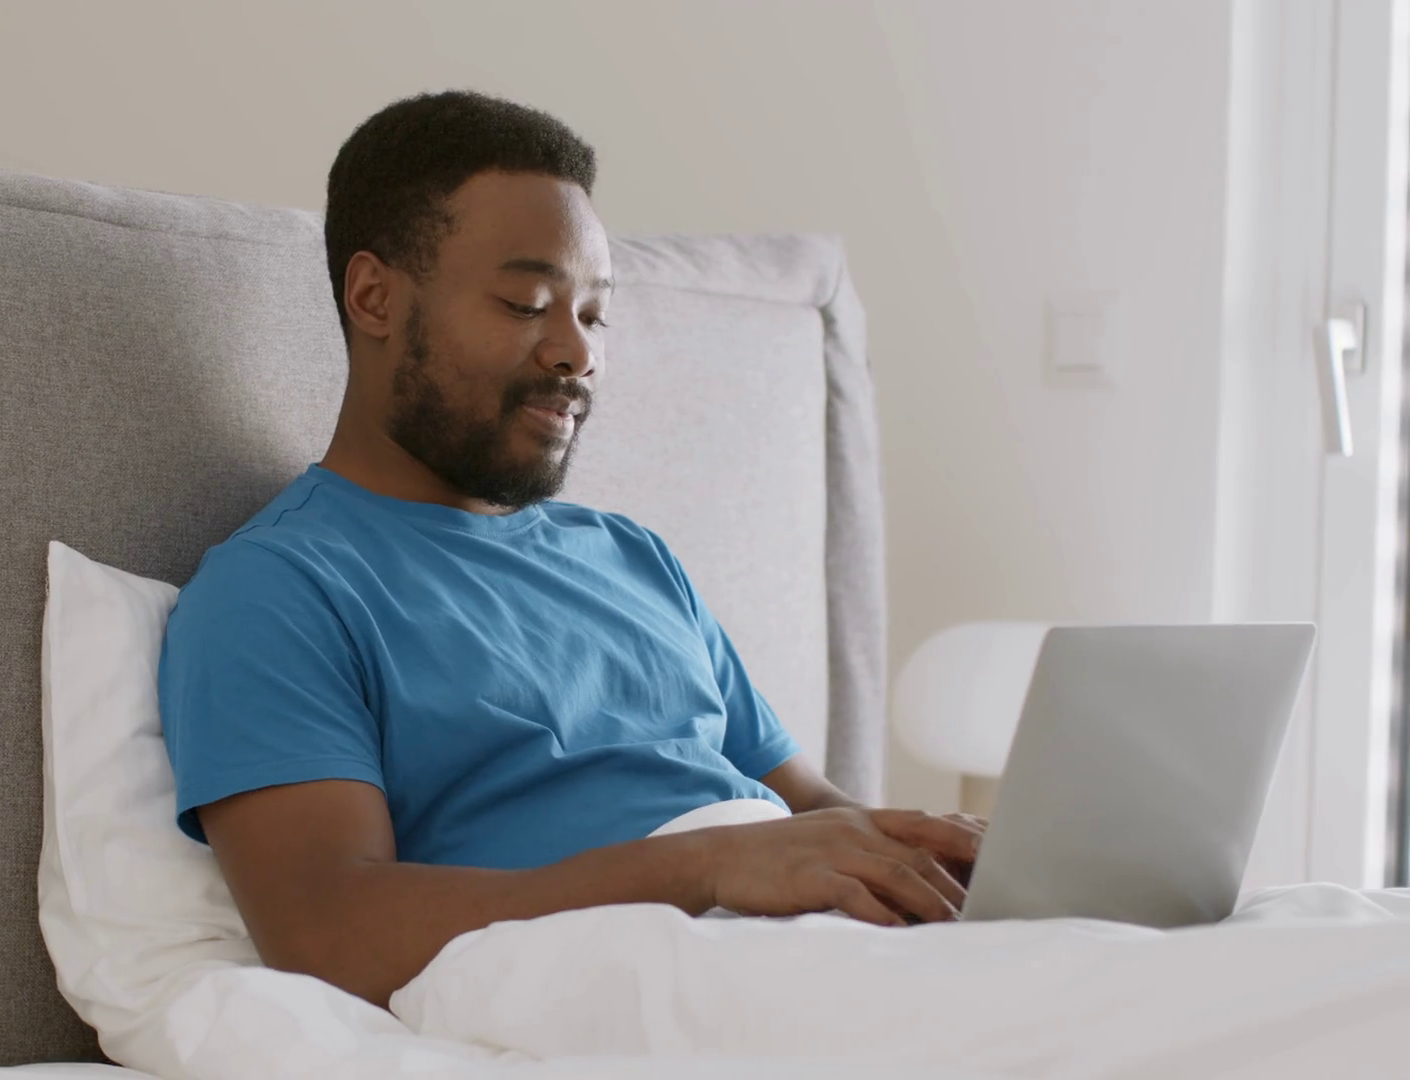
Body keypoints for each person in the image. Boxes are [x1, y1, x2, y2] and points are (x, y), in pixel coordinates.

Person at [159, 90, 984, 1009]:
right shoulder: (278, 590)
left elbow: (809, 807)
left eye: (595, 315)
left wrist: (953, 856)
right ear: (375, 297)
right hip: (637, 971)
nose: (577, 353)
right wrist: (708, 866)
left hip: (810, 940)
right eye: (527, 303)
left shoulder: (632, 558)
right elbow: (328, 932)